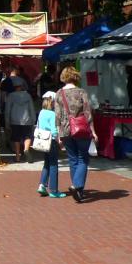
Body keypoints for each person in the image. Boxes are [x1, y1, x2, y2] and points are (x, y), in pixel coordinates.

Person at [54, 66, 98, 203]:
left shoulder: (59, 93)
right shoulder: (81, 92)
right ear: (75, 76)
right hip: (81, 129)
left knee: (73, 159)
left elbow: (57, 115)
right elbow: (87, 112)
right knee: (83, 158)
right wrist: (93, 130)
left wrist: (58, 133)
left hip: (66, 130)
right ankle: (77, 185)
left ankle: (79, 192)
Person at [36, 91, 66, 198]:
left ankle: (42, 185)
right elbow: (54, 130)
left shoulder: (41, 112)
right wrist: (60, 142)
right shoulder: (53, 114)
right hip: (51, 141)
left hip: (43, 140)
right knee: (54, 164)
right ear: (53, 102)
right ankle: (53, 190)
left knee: (47, 163)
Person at [5, 77, 36, 162]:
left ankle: (18, 156)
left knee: (16, 138)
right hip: (27, 120)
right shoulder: (28, 96)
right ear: (22, 86)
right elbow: (31, 108)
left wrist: (7, 122)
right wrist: (33, 119)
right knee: (28, 136)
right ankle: (26, 149)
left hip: (14, 120)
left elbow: (7, 110)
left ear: (14, 87)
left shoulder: (11, 96)